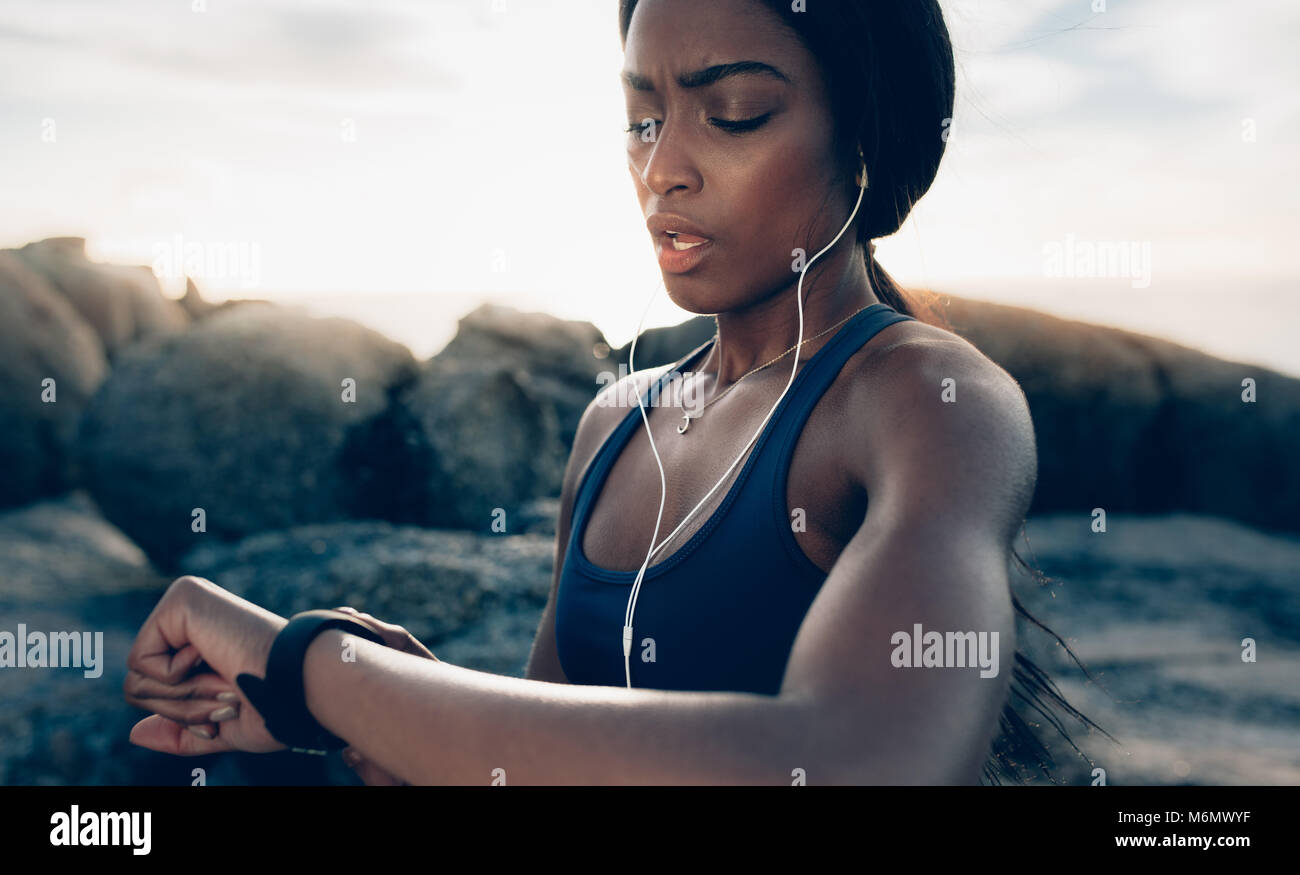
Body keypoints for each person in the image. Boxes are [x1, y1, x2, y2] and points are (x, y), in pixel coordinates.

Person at [124, 0, 1102, 785]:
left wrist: (315, 666)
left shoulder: (929, 399)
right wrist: (350, 702)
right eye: (643, 116)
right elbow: (549, 749)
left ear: (863, 139)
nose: (662, 168)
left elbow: (868, 759)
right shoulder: (615, 419)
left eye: (732, 116)